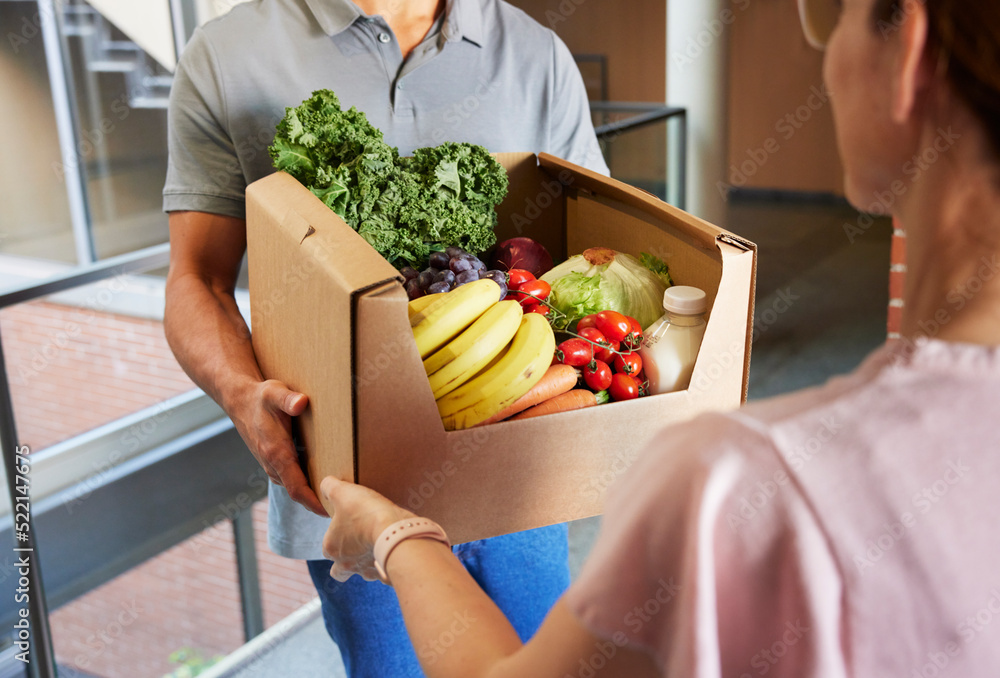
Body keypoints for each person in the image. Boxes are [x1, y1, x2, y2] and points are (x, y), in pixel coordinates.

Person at [319, 0, 1000, 675]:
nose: (825, 59)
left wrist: (395, 535)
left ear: (908, 48)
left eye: (828, 16)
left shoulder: (739, 486)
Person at [161, 0, 608, 675]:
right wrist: (240, 392)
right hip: (346, 488)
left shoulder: (534, 54)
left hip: (516, 460)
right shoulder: (228, 54)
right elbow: (197, 277)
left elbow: (591, 245)